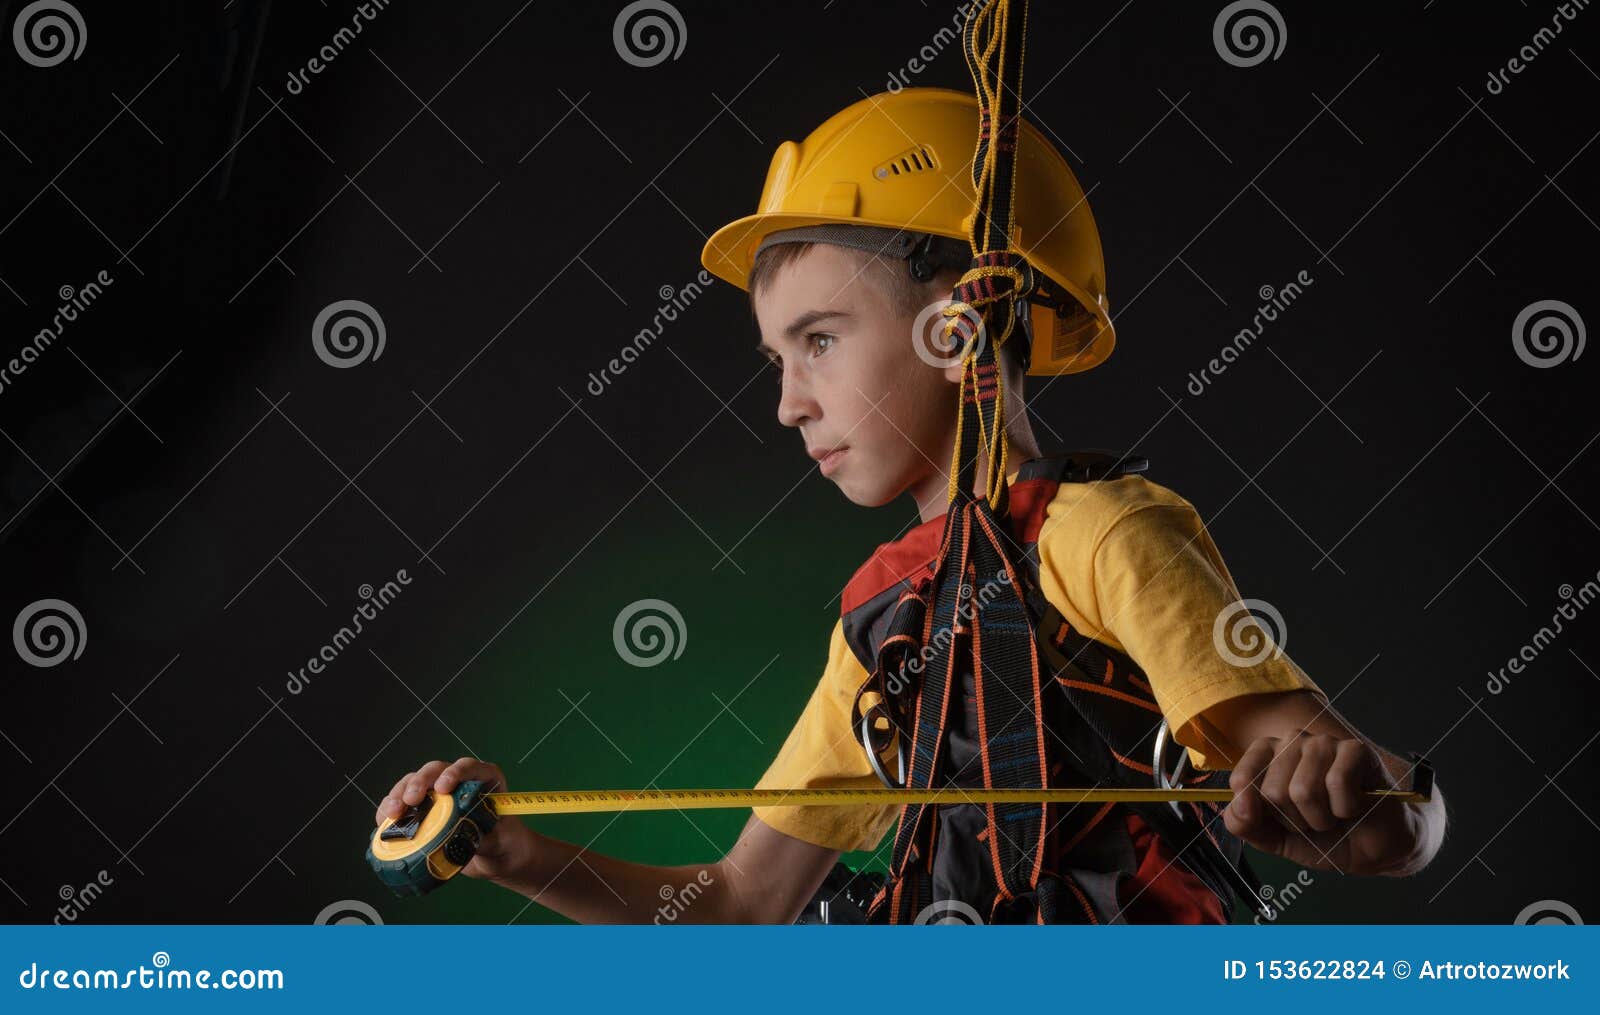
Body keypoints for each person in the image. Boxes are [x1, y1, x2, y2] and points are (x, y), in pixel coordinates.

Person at [373, 88, 1447, 924]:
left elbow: (1389, 829)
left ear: (953, 329)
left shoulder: (1103, 534)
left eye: (820, 341)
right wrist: (509, 848)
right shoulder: (884, 613)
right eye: (776, 358)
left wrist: (1357, 804)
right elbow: (742, 908)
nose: (789, 403)